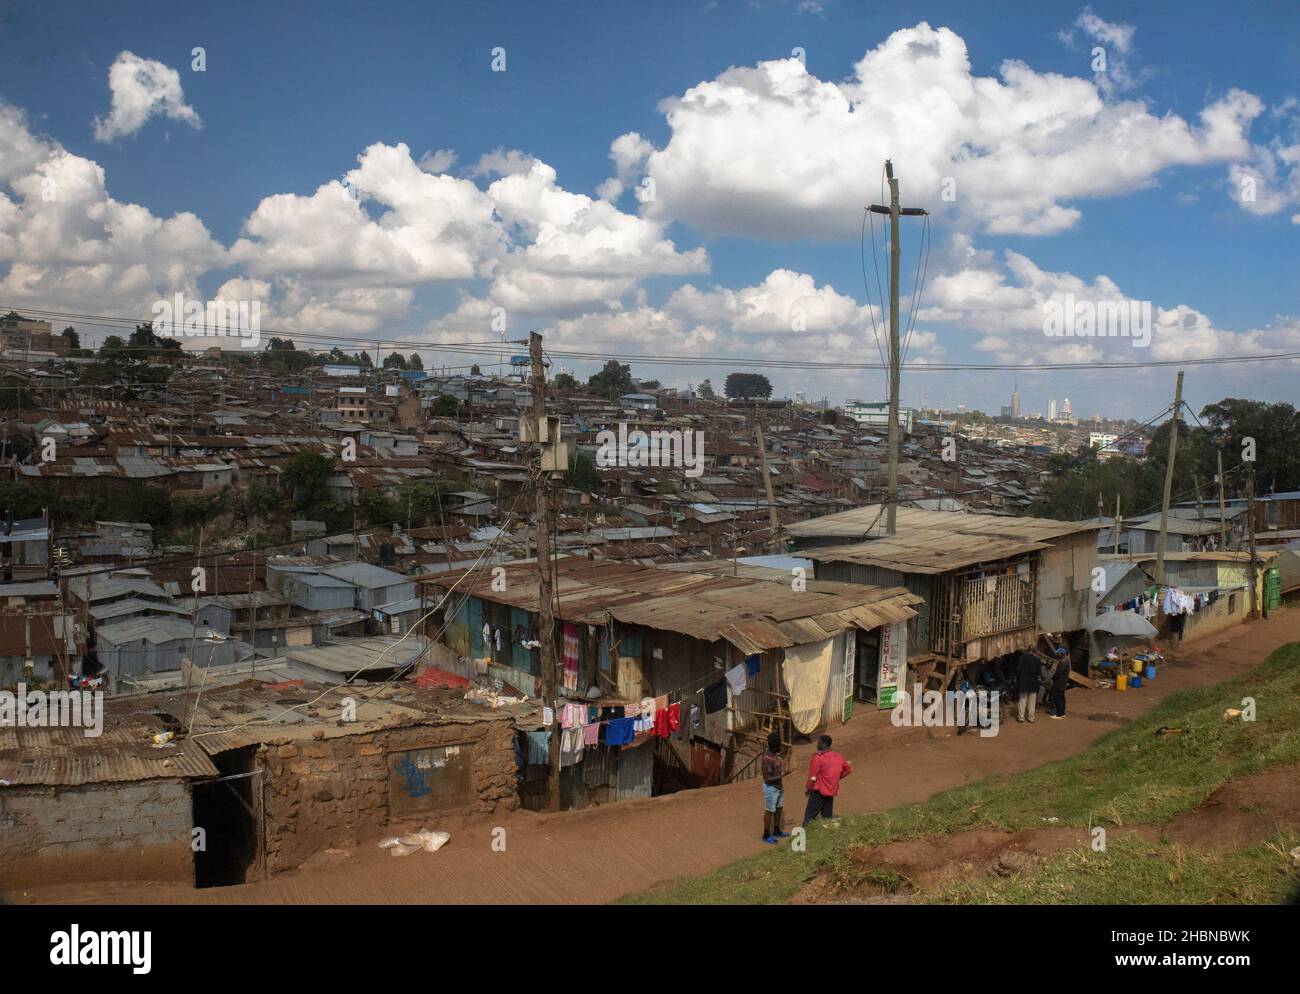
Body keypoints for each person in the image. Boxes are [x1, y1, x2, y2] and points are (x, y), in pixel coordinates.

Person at [802, 734, 852, 826]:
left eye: (819, 742)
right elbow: (848, 769)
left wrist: (808, 789)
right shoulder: (838, 756)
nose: (817, 744)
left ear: (823, 744)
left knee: (809, 816)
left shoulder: (818, 758)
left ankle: (804, 837)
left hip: (818, 792)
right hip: (830, 792)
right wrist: (837, 777)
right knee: (827, 818)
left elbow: (812, 776)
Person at [760, 731, 789, 843]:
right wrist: (781, 775)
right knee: (769, 811)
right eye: (779, 745)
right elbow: (767, 778)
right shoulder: (768, 759)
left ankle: (777, 830)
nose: (781, 747)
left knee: (779, 809)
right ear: (775, 746)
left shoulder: (773, 754)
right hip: (771, 788)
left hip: (778, 787)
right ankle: (766, 834)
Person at [1015, 650, 1041, 723]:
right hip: (1033, 684)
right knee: (1032, 702)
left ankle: (1021, 718)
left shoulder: (1021, 658)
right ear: (1034, 652)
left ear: (1027, 651)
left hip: (1023, 683)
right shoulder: (1037, 660)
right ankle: (1031, 718)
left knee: (1022, 700)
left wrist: (1019, 678)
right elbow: (1039, 674)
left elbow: (1018, 671)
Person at [1050, 646, 1071, 719]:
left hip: (1059, 682)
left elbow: (1058, 673)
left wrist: (1053, 677)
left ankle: (1059, 714)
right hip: (1063, 682)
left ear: (1061, 654)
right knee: (1062, 698)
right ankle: (1062, 713)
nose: (1057, 654)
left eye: (1058, 653)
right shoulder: (1067, 660)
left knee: (1057, 698)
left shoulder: (1063, 661)